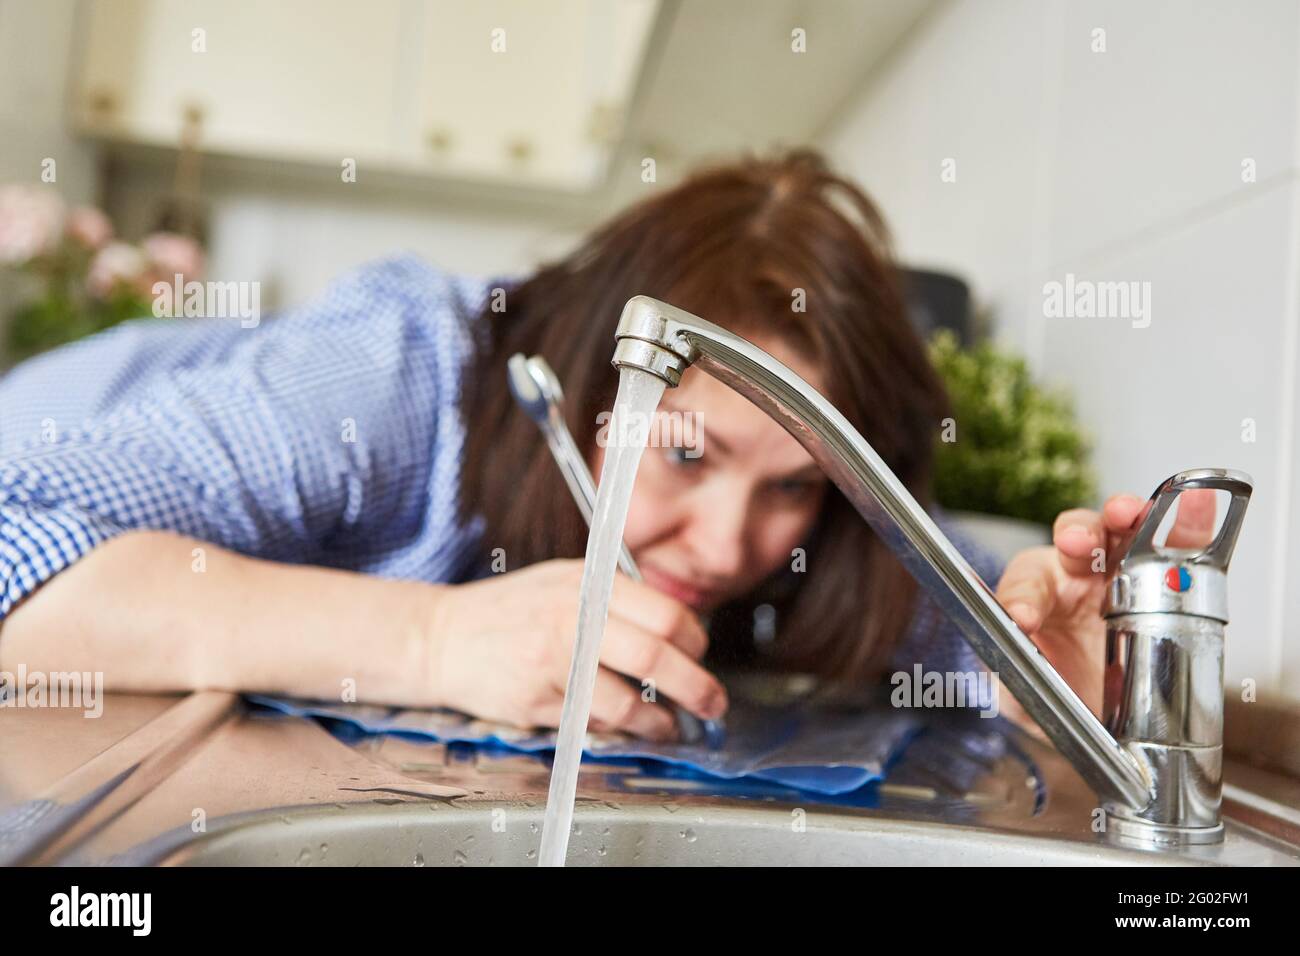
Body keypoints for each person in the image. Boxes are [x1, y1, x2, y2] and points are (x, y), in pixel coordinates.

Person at [0, 149, 1213, 740]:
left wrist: (1027, 665)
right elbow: (17, 549)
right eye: (683, 454)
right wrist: (426, 637)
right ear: (584, 383)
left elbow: (954, 621)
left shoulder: (821, 538)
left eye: (793, 485)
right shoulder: (399, 373)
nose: (733, 541)